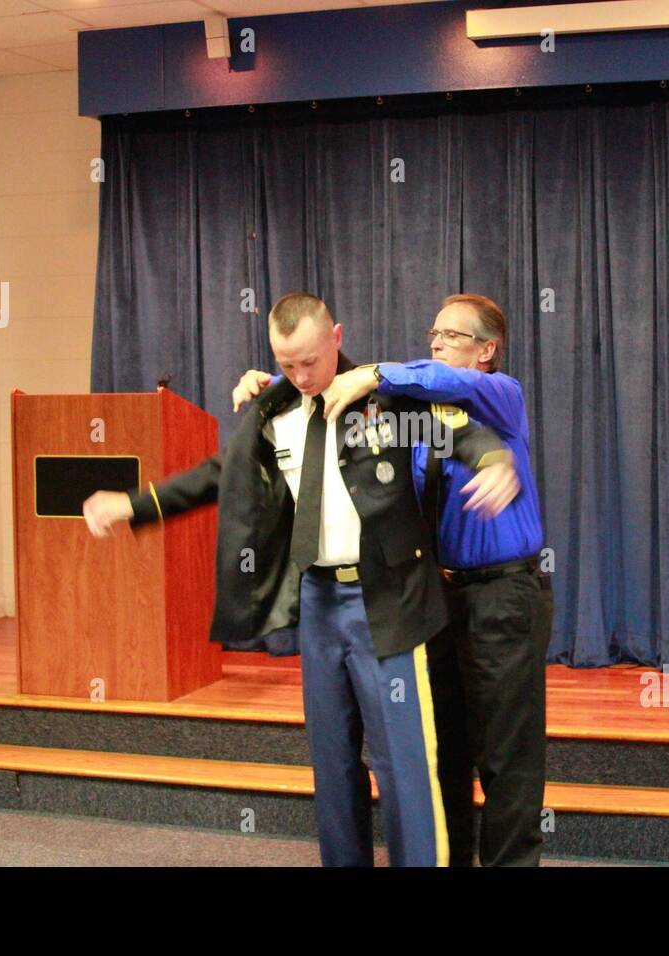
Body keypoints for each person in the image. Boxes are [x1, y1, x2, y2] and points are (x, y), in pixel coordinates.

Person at [83, 292, 521, 867]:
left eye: (310, 361)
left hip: (387, 601)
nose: (300, 375)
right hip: (319, 602)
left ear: (336, 337)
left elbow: (460, 433)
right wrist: (137, 505)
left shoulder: (383, 402)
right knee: (332, 760)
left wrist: (493, 462)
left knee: (403, 764)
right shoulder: (276, 410)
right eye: (287, 363)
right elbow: (219, 474)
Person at [233, 293, 551, 866]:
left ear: (487, 350)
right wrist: (271, 390)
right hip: (433, 597)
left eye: (452, 336)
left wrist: (374, 373)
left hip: (501, 595)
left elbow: (429, 381)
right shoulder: (414, 412)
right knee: (442, 750)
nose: (435, 342)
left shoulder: (502, 396)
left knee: (507, 755)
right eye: (433, 332)